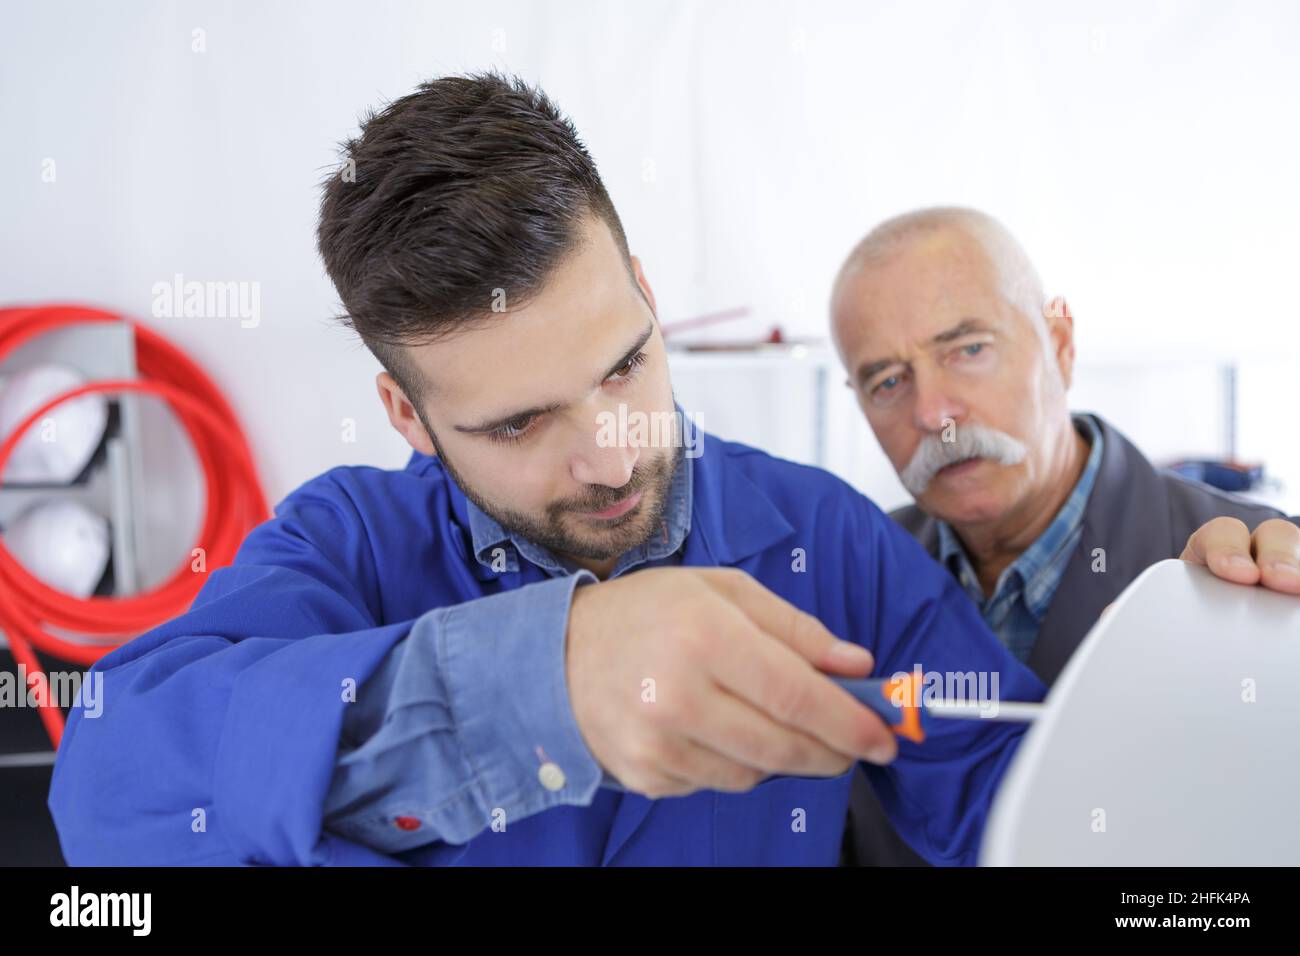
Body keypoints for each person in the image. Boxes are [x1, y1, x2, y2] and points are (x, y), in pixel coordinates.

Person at [49, 74, 1055, 866]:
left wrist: (1187, 641)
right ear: (410, 416)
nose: (610, 451)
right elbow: (108, 793)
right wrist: (540, 685)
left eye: (625, 364)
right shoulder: (345, 549)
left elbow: (1031, 795)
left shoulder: (823, 538)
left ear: (646, 294)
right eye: (521, 421)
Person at [830, 206, 1300, 865]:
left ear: (1061, 342)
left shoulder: (1264, 581)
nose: (933, 412)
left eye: (968, 349)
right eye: (887, 381)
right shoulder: (837, 588)